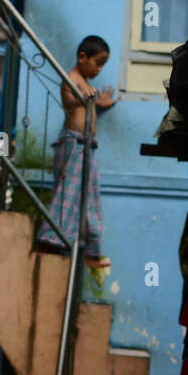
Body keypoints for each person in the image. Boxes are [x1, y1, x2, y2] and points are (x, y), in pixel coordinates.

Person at [36, 34, 116, 271]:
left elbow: (86, 103)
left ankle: (90, 250)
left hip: (87, 146)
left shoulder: (85, 82)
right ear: (82, 57)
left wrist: (100, 102)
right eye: (97, 63)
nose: (99, 69)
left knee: (88, 198)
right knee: (67, 194)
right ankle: (48, 240)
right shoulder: (71, 78)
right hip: (73, 144)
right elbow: (70, 103)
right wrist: (85, 98)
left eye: (103, 65)